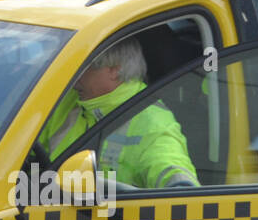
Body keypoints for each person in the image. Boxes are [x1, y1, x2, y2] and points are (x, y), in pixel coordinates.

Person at [40, 39, 198, 190]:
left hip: (108, 216)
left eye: (82, 68)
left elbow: (175, 177)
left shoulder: (152, 124)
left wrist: (181, 187)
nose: (74, 78)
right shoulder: (66, 101)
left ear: (114, 70)